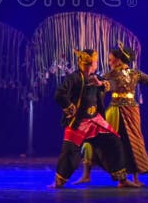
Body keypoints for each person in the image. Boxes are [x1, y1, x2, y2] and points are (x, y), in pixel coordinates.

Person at [76, 43, 148, 186]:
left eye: (110, 59)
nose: (108, 62)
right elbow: (104, 83)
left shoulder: (135, 73)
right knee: (96, 138)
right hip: (115, 111)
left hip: (131, 112)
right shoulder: (111, 74)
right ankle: (87, 175)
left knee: (132, 143)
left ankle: (135, 179)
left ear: (119, 60)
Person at [49, 48, 139, 188]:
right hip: (78, 122)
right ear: (88, 64)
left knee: (114, 142)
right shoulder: (74, 78)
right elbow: (60, 94)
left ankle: (122, 180)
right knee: (69, 153)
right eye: (93, 63)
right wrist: (70, 107)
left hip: (95, 122)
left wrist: (101, 84)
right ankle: (59, 181)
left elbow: (113, 84)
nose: (93, 65)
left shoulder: (97, 78)